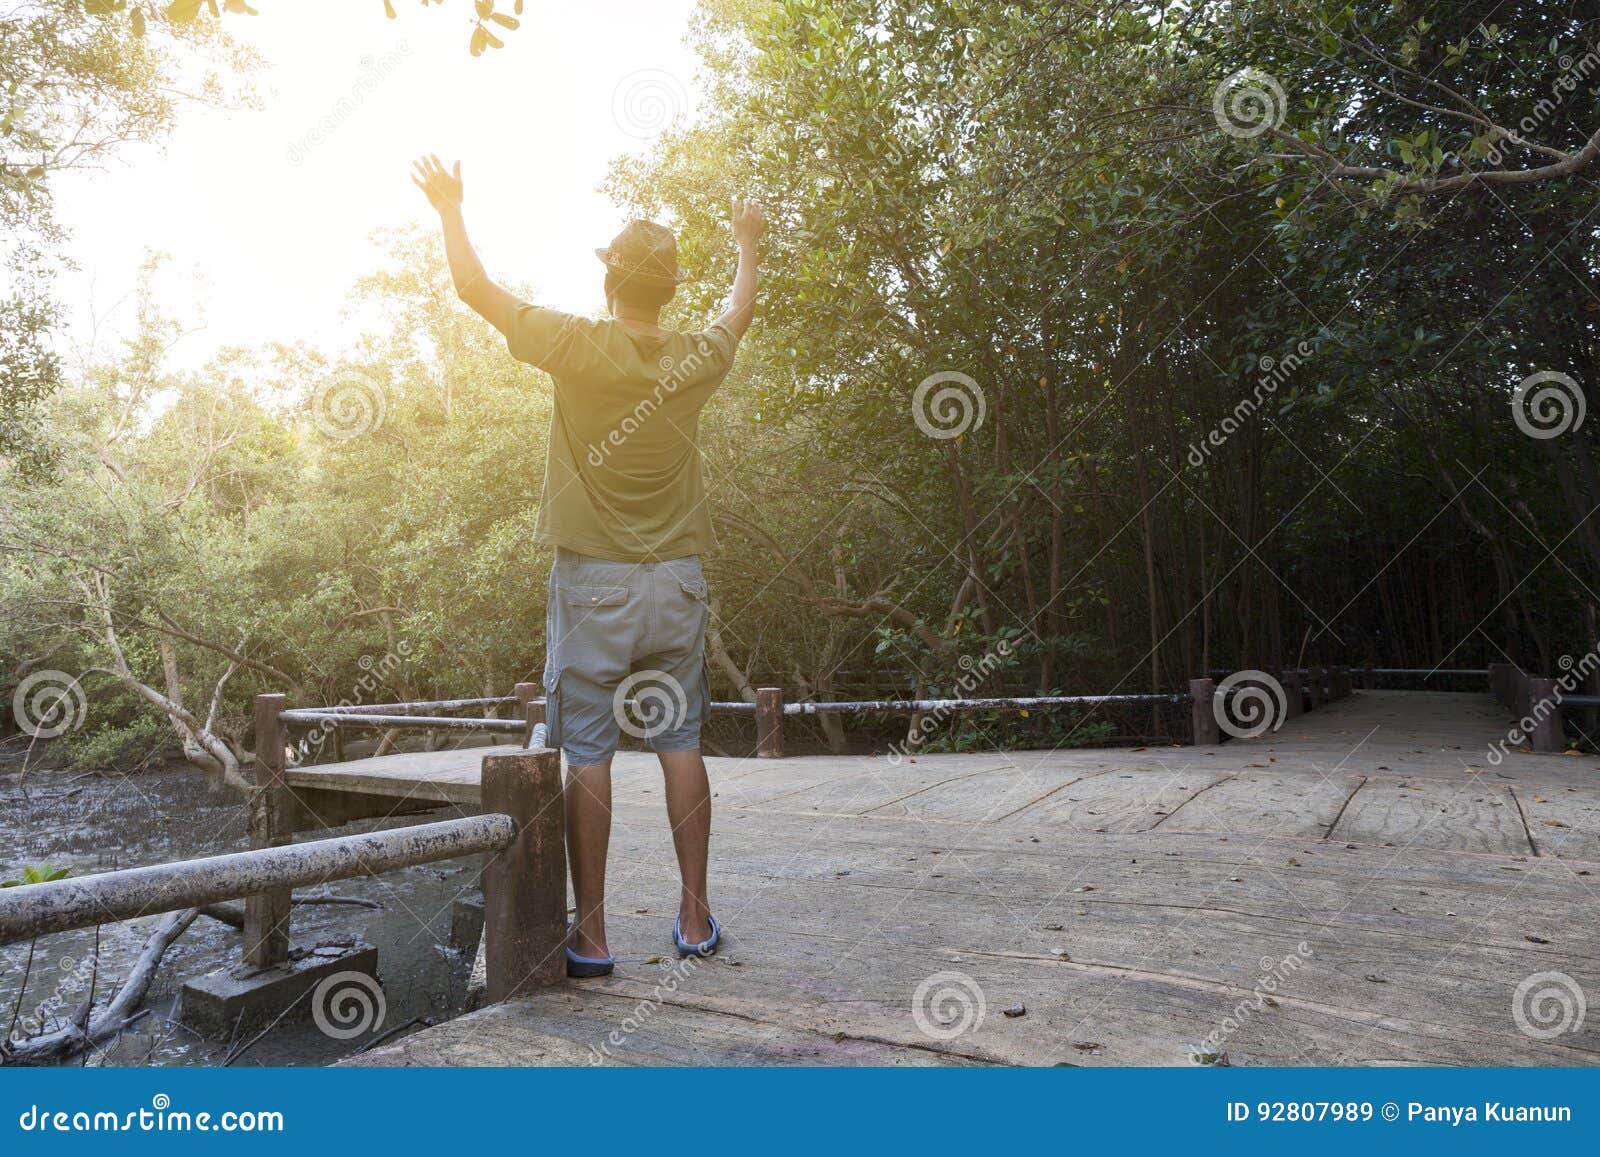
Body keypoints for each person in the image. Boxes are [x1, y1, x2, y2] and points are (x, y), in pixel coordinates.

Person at [411, 154, 764, 977]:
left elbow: (474, 287)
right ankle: (695, 915)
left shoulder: (572, 343)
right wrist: (747, 240)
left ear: (612, 282)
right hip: (676, 578)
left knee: (591, 754)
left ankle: (595, 935)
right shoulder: (694, 357)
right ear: (670, 289)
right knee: (680, 740)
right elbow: (740, 312)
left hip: (593, 583)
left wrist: (450, 206)